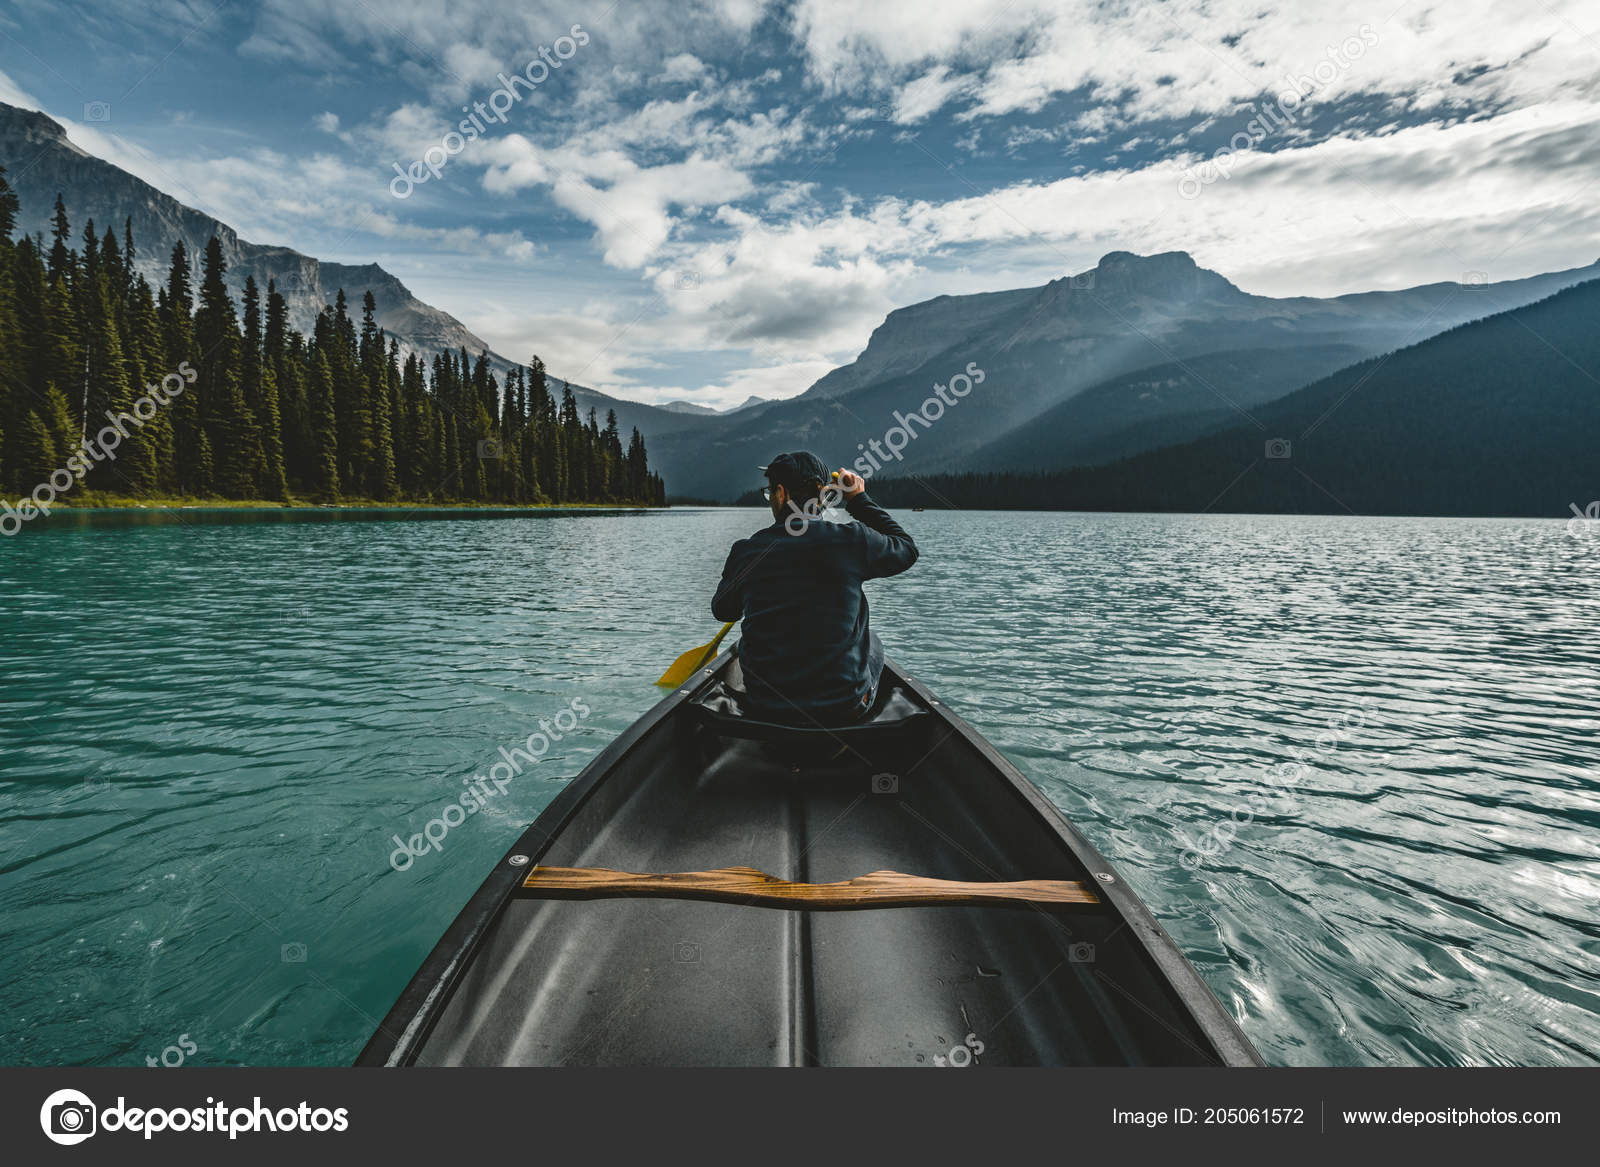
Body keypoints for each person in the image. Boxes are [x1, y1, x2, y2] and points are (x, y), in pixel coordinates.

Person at [712, 451, 919, 725]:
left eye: (769, 492)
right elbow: (906, 548)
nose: (770, 499)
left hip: (766, 707)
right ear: (823, 497)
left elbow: (724, 611)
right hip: (845, 708)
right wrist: (857, 499)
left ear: (782, 493)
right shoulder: (853, 541)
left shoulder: (748, 551)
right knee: (873, 641)